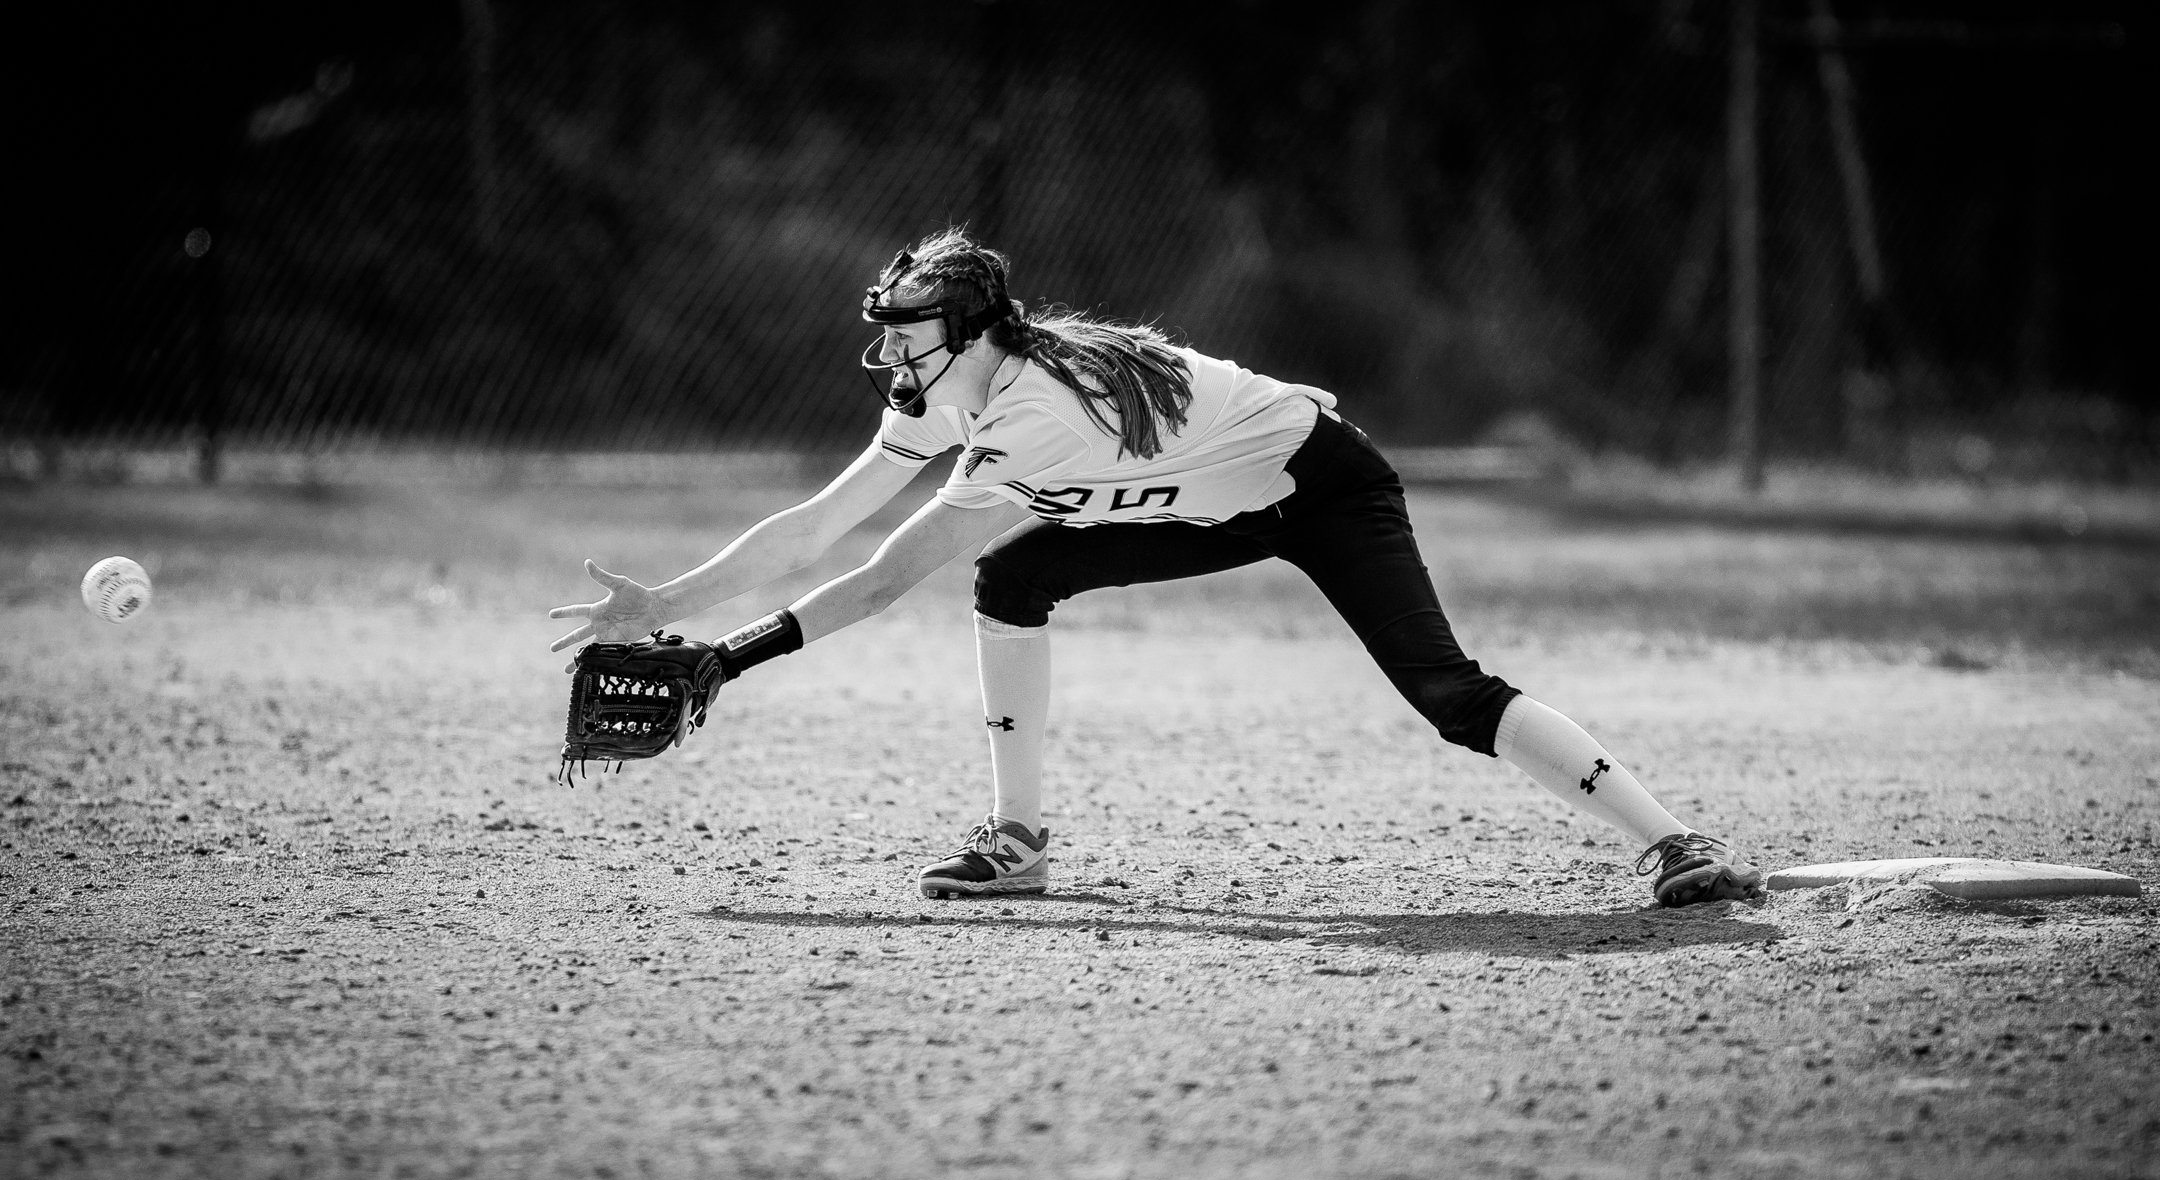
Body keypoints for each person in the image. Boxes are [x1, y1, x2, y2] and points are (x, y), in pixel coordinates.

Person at [548, 228, 1765, 907]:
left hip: (1318, 485)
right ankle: (1018, 842)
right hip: (1196, 504)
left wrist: (735, 656)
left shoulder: (1034, 412)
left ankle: (1676, 841)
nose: (886, 346)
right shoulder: (942, 398)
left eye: (906, 327)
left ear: (967, 332)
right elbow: (823, 525)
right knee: (1017, 582)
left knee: (1447, 696)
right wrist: (666, 604)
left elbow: (884, 575)